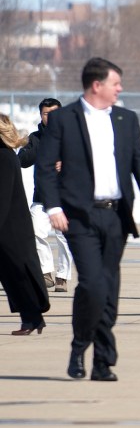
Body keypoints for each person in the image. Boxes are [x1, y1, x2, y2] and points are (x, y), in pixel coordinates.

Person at [36, 57, 140, 382]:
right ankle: (80, 346)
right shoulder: (64, 119)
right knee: (93, 284)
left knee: (108, 290)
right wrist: (53, 208)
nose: (120, 89)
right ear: (97, 85)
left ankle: (102, 362)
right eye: (115, 84)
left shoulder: (126, 119)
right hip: (80, 217)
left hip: (116, 217)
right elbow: (45, 166)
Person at [0, 114, 50, 336]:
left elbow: (2, 195)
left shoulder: (3, 156)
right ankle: (32, 320)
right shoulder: (5, 154)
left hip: (11, 229)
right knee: (15, 276)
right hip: (10, 228)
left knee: (20, 276)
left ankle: (32, 319)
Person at [18, 98, 73, 293]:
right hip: (41, 197)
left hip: (66, 198)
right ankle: (46, 272)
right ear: (40, 115)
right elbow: (23, 160)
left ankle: (62, 276)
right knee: (35, 231)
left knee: (64, 238)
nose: (50, 117)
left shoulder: (72, 136)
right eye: (46, 113)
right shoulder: (35, 138)